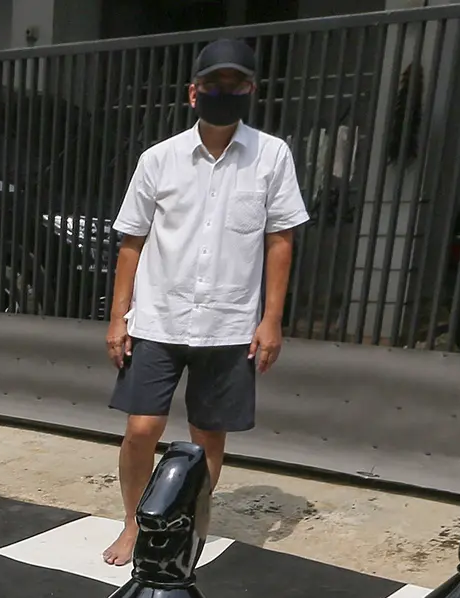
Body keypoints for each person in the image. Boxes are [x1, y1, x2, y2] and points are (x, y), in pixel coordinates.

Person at [103, 37, 308, 565]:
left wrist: (272, 320)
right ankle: (134, 522)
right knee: (140, 428)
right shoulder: (159, 160)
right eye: (214, 83)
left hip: (230, 322)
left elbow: (280, 240)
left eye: (234, 84)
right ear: (193, 92)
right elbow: (132, 241)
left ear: (251, 90)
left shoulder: (271, 156)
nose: (224, 92)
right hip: (157, 316)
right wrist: (117, 318)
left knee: (205, 437)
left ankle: (187, 523)